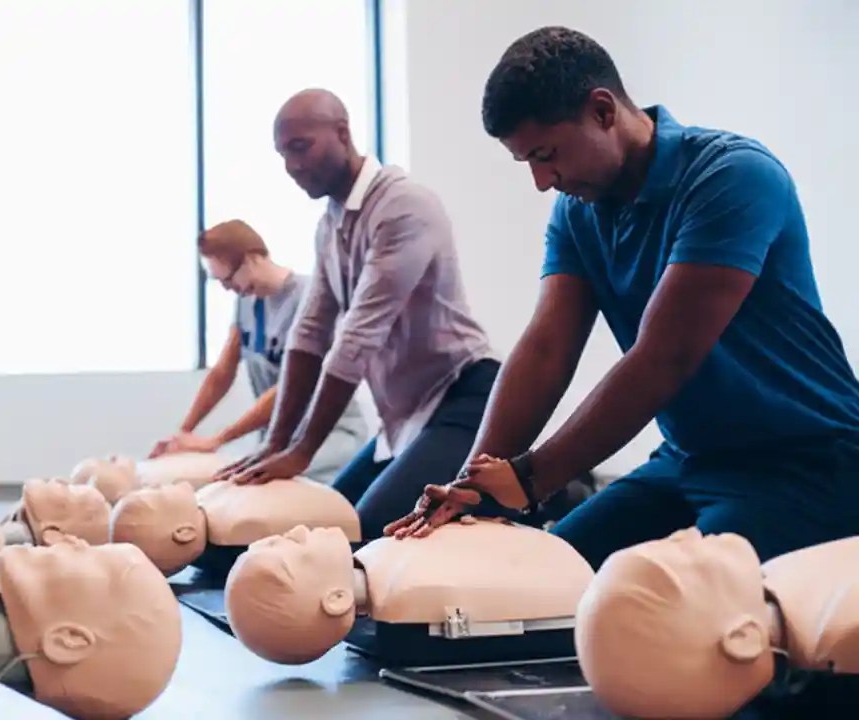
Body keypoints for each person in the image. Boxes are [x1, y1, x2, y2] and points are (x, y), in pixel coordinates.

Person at [385, 27, 859, 571]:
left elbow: (663, 358)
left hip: (806, 463)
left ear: (603, 111)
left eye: (547, 155)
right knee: (549, 575)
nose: (542, 181)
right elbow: (546, 349)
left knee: (659, 603)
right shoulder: (577, 211)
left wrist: (531, 478)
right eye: (528, 164)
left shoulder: (732, 177)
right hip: (687, 462)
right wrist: (471, 485)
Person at [218, 89, 499, 541]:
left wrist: (304, 449)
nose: (291, 165)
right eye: (282, 154)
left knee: (367, 531)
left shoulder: (403, 205)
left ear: (342, 133)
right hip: (403, 418)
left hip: (464, 399)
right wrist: (277, 441)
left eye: (300, 146)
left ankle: (537, 498)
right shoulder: (330, 226)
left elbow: (356, 337)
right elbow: (309, 336)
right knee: (333, 525)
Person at [148, 219, 368, 483]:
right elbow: (222, 373)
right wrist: (183, 434)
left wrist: (217, 440)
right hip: (277, 441)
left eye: (229, 279)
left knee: (248, 484)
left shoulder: (310, 298)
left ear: (252, 258)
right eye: (220, 283)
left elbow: (293, 387)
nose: (229, 289)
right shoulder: (247, 304)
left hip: (328, 439)